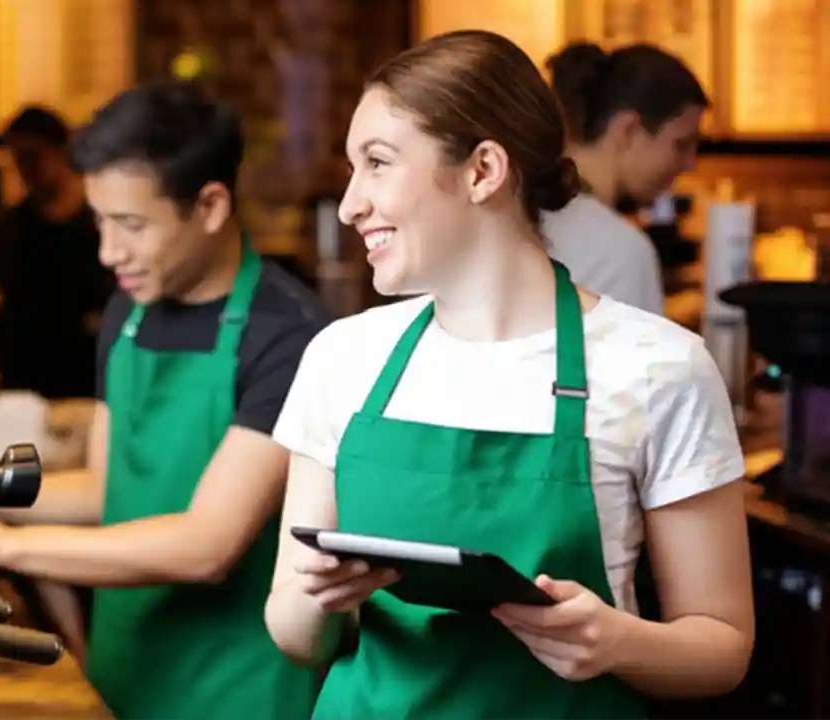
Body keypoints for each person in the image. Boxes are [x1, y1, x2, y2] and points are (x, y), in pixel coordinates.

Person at [265, 30, 753, 719]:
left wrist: (617, 643)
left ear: (483, 171)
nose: (350, 205)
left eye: (377, 163)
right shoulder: (342, 359)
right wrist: (315, 600)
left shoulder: (658, 367)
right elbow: (294, 633)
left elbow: (723, 646)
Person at [0, 81, 329, 719]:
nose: (108, 252)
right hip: (127, 673)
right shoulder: (129, 311)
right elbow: (105, 488)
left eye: (132, 225)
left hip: (233, 691)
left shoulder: (290, 335)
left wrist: (4, 546)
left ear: (211, 205)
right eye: (100, 221)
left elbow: (208, 545)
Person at [540, 42, 708, 315]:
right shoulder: (623, 251)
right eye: (681, 144)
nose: (690, 164)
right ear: (628, 130)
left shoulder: (516, 215)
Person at [0, 106, 112, 399]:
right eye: (18, 160)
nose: (26, 170)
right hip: (25, 381)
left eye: (32, 157)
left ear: (61, 150)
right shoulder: (14, 226)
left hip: (90, 378)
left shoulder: (101, 219)